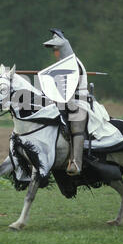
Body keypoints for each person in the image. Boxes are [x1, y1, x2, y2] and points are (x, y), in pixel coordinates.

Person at [42, 28, 88, 176]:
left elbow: (70, 88)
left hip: (78, 101)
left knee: (76, 123)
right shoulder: (62, 65)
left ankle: (76, 162)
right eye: (54, 51)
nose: (55, 53)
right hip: (64, 100)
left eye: (57, 50)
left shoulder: (74, 64)